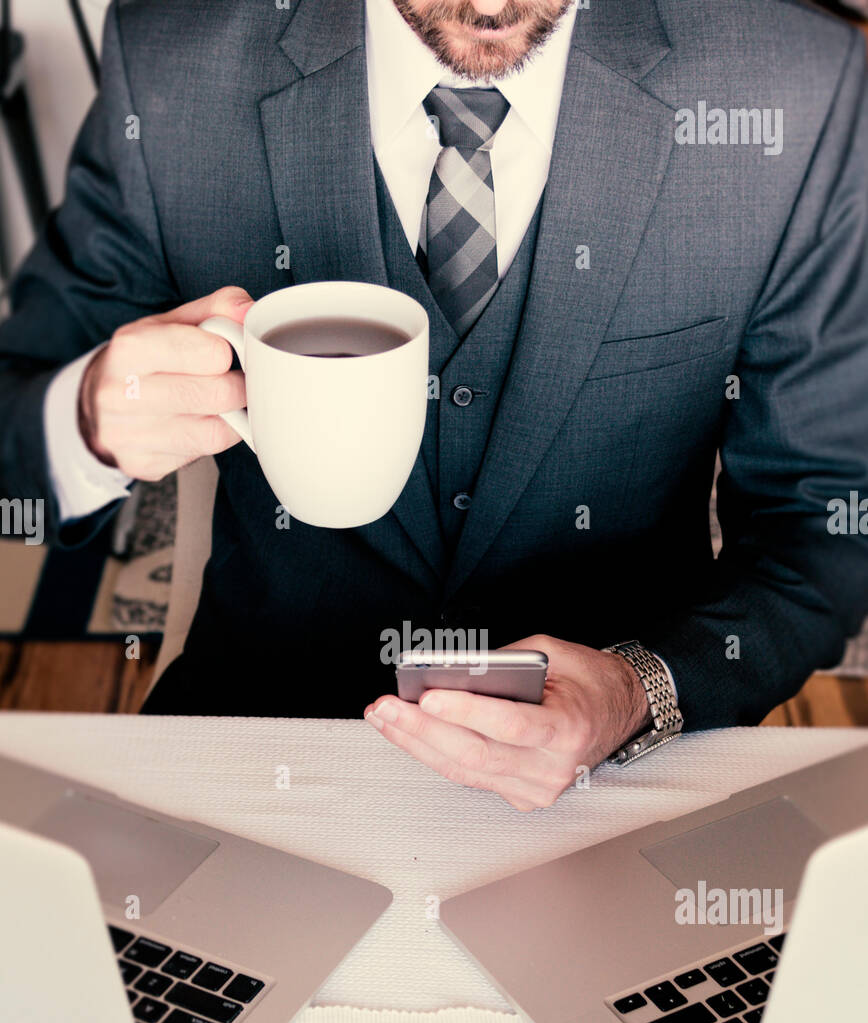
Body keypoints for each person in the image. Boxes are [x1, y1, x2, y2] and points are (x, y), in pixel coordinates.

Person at [1, 0, 867, 810]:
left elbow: (825, 521)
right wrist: (82, 424)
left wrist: (640, 690)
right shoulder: (171, 58)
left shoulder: (797, 85)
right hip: (259, 750)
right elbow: (15, 434)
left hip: (626, 783)